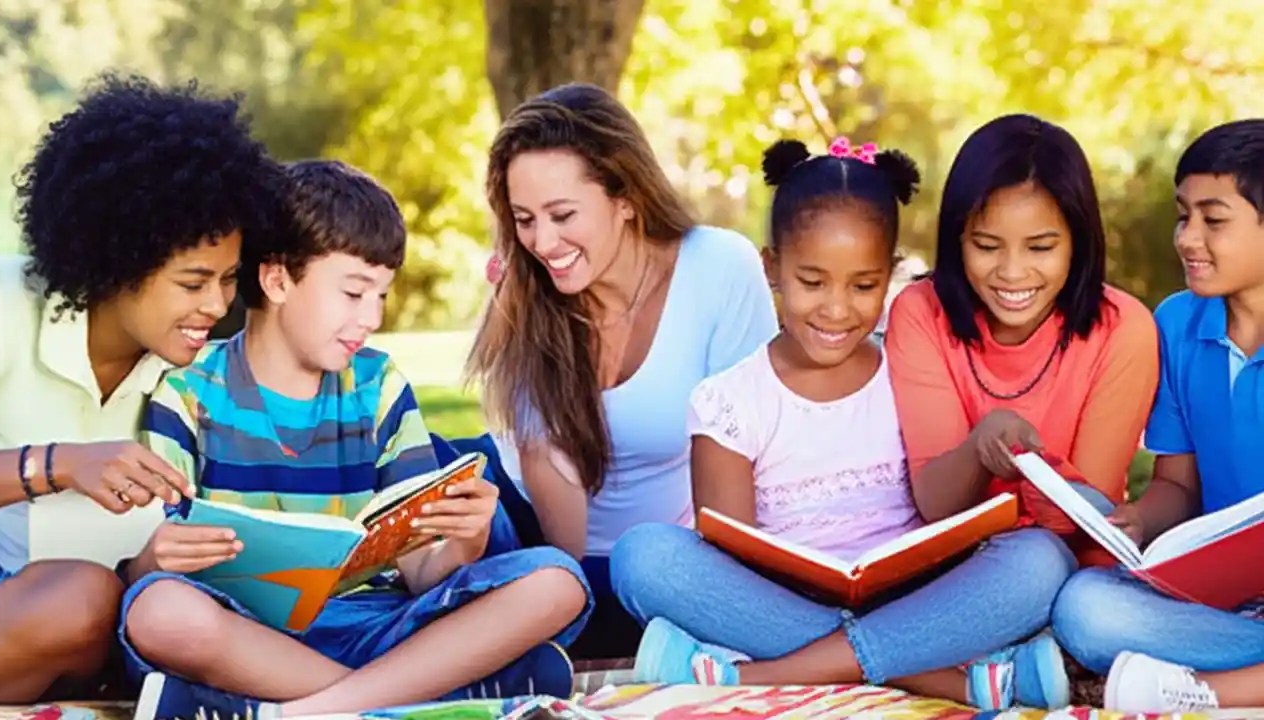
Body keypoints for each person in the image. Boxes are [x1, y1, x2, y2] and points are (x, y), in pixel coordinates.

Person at [610, 135, 1075, 710]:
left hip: (918, 600)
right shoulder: (729, 402)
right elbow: (730, 559)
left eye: (863, 286)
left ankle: (752, 676)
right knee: (644, 557)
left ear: (890, 275)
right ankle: (943, 678)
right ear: (772, 268)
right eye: (812, 282)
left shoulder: (910, 371)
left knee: (1042, 561)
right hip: (784, 605)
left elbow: (950, 507)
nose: (836, 309)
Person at [122, 160, 592, 720]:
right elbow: (159, 565)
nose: (371, 317)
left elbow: (422, 572)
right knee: (158, 611)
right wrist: (154, 558)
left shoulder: (378, 385)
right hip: (251, 638)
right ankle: (424, 697)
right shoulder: (188, 395)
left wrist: (464, 540)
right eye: (353, 293)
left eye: (381, 296)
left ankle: (294, 713)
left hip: (380, 625)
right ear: (277, 281)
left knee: (557, 582)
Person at [0, 74, 281, 703]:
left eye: (229, 279)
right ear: (116, 263)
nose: (216, 305)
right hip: (18, 610)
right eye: (192, 282)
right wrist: (59, 465)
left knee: (95, 601)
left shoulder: (201, 377)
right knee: (81, 598)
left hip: (95, 636)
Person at [465, 83, 778, 657]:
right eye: (524, 219)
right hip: (552, 552)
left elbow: (756, 460)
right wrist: (562, 596)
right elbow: (561, 538)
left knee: (643, 566)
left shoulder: (717, 267)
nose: (542, 242)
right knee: (434, 473)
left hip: (662, 561)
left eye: (562, 215)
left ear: (626, 197)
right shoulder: (533, 295)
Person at [882, 114, 1159, 708]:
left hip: (1058, 579)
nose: (1012, 273)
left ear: (1078, 240)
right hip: (945, 570)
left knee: (1043, 565)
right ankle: (952, 666)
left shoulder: (1123, 329)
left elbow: (1084, 521)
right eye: (986, 246)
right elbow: (935, 504)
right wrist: (980, 448)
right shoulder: (920, 312)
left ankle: (845, 656)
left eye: (1041, 247)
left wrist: (1026, 477)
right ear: (956, 238)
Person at [1052, 119, 1264, 714]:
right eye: (1183, 215)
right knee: (1085, 608)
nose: (1188, 238)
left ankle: (1210, 691)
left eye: (1213, 220)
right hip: (1229, 601)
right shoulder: (1176, 323)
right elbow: (1178, 485)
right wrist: (1139, 522)